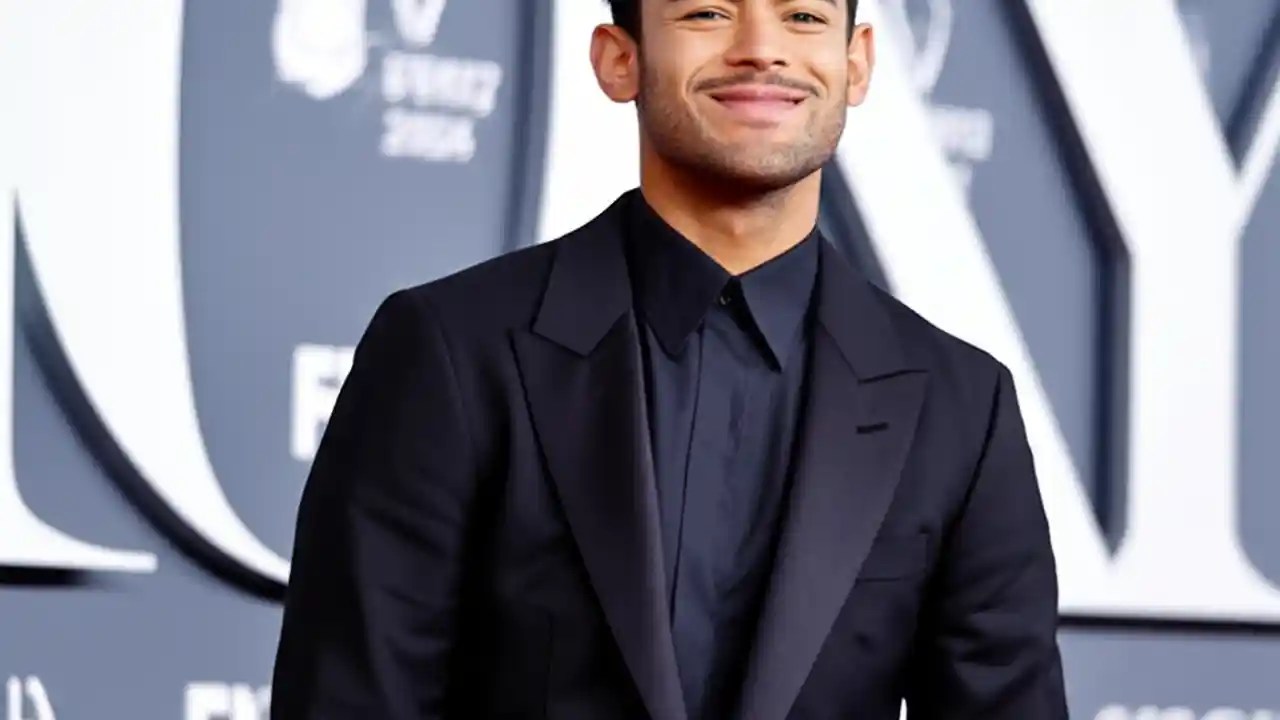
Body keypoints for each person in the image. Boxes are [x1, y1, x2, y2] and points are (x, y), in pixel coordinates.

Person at [269, 0, 1069, 717]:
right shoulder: (450, 352)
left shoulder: (960, 405)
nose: (762, 49)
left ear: (855, 62)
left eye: (802, 17)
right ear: (621, 59)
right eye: (708, 14)